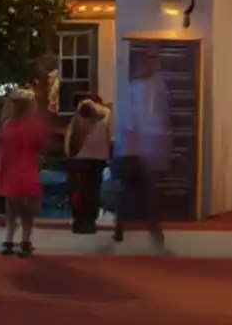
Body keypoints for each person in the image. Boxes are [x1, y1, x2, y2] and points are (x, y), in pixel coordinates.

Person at [111, 43, 171, 252]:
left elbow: (160, 114)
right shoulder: (130, 88)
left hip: (151, 147)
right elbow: (128, 120)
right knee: (135, 191)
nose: (156, 64)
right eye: (151, 59)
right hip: (135, 148)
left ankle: (149, 231)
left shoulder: (158, 84)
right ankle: (128, 229)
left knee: (149, 193)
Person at [0, 89, 50, 257]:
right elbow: (43, 145)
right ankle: (25, 240)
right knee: (28, 210)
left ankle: (9, 239)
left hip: (10, 170)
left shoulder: (7, 125)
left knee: (11, 209)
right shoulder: (35, 126)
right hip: (28, 169)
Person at [65, 96, 111, 234]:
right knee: (93, 189)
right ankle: (90, 221)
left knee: (80, 189)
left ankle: (80, 220)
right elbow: (109, 136)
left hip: (81, 157)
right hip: (99, 157)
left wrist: (69, 154)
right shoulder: (106, 116)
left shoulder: (80, 114)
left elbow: (72, 136)